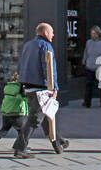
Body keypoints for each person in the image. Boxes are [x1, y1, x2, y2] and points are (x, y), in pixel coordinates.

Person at [12, 22, 68, 159]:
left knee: (44, 116)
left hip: (28, 86)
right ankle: (20, 148)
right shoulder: (45, 46)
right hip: (41, 87)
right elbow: (49, 67)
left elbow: (20, 65)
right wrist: (54, 87)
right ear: (45, 33)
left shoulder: (27, 45)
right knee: (35, 119)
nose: (53, 34)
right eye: (52, 32)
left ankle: (58, 142)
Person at [0, 72, 29, 153]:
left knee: (4, 130)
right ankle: (21, 147)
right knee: (22, 131)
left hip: (6, 112)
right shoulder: (20, 87)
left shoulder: (8, 86)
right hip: (16, 112)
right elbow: (22, 98)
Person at [82, 26, 101, 107]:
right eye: (91, 33)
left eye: (94, 34)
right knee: (89, 84)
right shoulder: (88, 42)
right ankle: (87, 102)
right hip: (90, 65)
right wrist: (84, 59)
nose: (92, 35)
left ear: (98, 34)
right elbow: (86, 51)